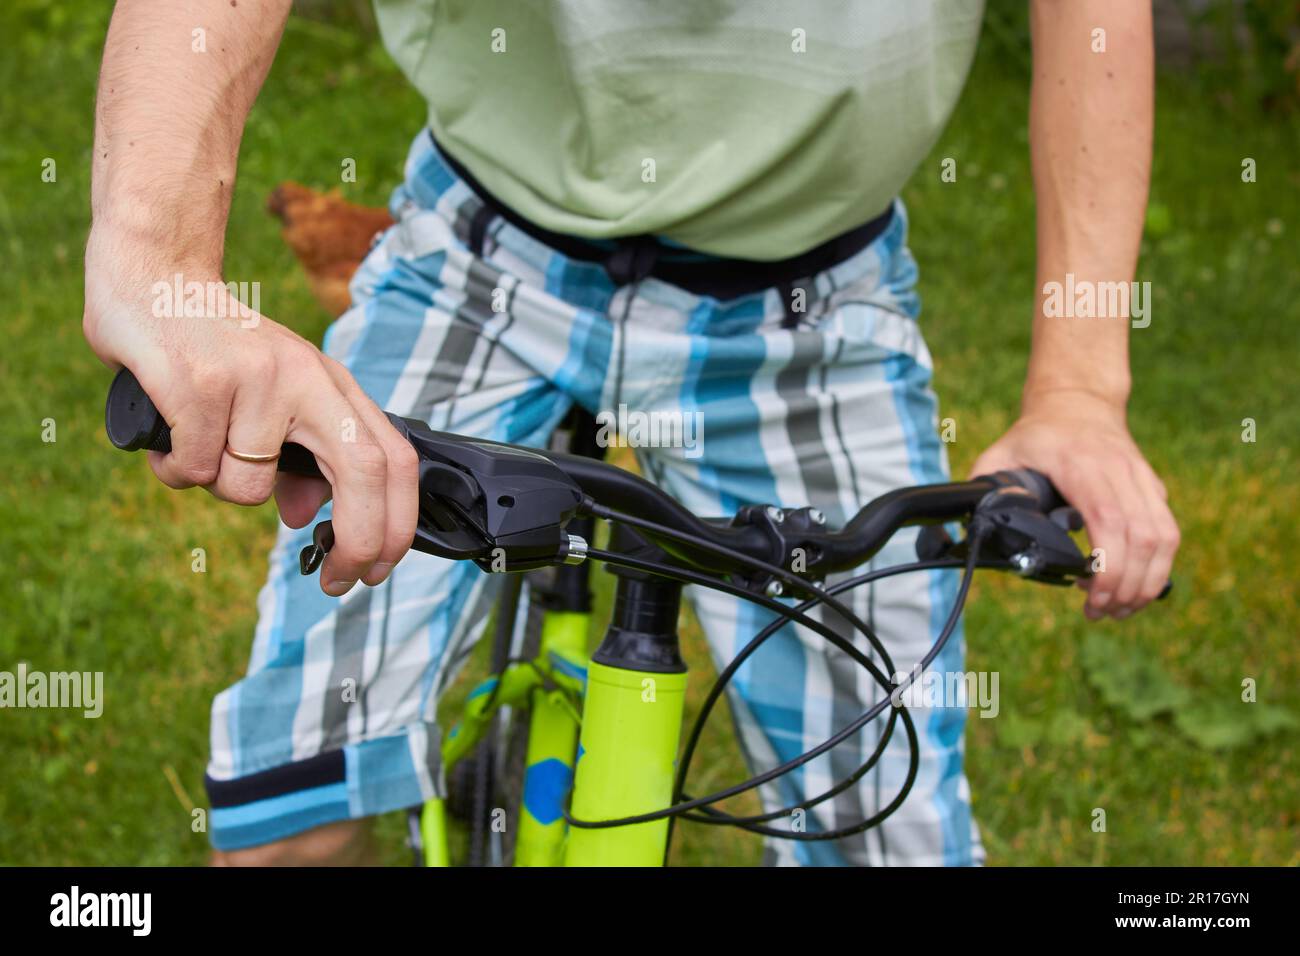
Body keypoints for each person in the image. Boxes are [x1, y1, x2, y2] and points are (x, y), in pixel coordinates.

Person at [83, 0, 1179, 866]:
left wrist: (1080, 386)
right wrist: (163, 259)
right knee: (291, 817)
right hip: (477, 256)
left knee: (883, 835)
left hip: (807, 301)